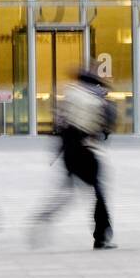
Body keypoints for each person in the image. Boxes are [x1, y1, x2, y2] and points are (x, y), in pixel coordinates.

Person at [32, 65, 116, 250]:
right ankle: (102, 236)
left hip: (70, 152)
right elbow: (104, 126)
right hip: (86, 151)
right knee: (98, 193)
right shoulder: (94, 98)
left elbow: (61, 126)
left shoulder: (68, 96)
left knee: (69, 191)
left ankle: (45, 216)